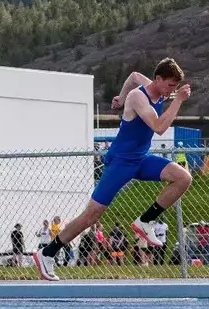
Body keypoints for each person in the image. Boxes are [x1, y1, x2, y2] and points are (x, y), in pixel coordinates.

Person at [36, 59, 194, 281]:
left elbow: (134, 75)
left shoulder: (150, 85)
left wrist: (119, 98)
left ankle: (145, 221)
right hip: (121, 162)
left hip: (140, 159)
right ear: (158, 79)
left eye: (175, 88)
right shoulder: (139, 97)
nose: (172, 91)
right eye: (170, 86)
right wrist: (178, 101)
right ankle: (47, 252)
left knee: (183, 178)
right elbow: (159, 128)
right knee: (91, 216)